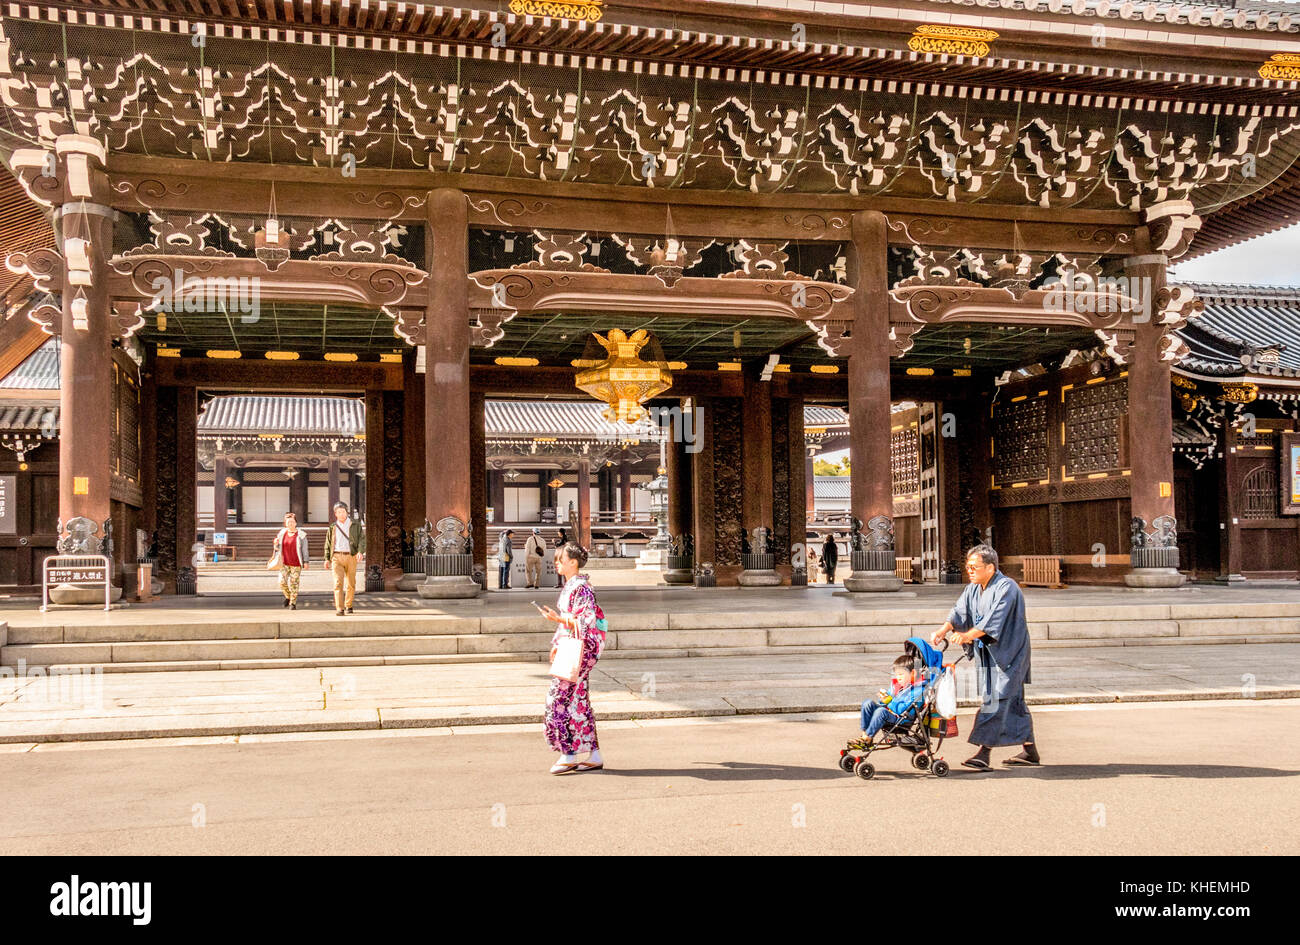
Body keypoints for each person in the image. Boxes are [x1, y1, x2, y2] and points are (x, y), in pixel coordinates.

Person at [930, 544, 1039, 769]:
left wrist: (967, 635)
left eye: (974, 567)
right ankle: (1030, 751)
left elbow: (993, 621)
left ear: (990, 567)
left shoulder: (1006, 588)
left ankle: (983, 751)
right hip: (989, 653)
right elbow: (959, 611)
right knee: (1014, 701)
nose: (969, 571)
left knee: (996, 700)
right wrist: (943, 630)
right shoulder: (973, 587)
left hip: (1010, 653)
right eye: (968, 567)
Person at [539, 542, 607, 774]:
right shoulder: (573, 586)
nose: (557, 562)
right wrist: (557, 642)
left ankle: (569, 753)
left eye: (561, 559)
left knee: (559, 699)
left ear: (573, 562)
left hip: (579, 650)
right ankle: (594, 754)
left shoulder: (581, 588)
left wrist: (558, 621)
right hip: (573, 646)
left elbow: (585, 621)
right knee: (578, 700)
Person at [847, 655, 924, 750]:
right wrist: (883, 698)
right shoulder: (897, 684)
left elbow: (901, 709)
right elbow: (886, 701)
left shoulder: (918, 690)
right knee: (867, 703)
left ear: (912, 673)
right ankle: (864, 736)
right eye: (897, 674)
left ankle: (867, 738)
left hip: (901, 718)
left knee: (881, 712)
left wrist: (889, 701)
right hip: (890, 712)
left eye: (901, 674)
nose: (898, 677)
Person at [323, 501, 365, 616]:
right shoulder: (333, 527)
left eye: (343, 511)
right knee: (337, 583)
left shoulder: (355, 524)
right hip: (336, 556)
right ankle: (339, 608)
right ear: (335, 514)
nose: (341, 514)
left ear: (347, 512)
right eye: (339, 512)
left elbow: (362, 539)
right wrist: (327, 558)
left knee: (351, 583)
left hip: (351, 555)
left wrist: (360, 551)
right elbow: (328, 543)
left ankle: (349, 604)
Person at [272, 512, 309, 610]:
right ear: (285, 523)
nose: (290, 524)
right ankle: (288, 597)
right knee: (281, 582)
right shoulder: (282, 533)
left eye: (292, 522)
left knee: (294, 583)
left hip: (296, 563)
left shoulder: (301, 535)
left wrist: (306, 561)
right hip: (284, 562)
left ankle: (293, 602)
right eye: (288, 522)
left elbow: (305, 549)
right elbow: (277, 548)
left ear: (296, 523)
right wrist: (275, 544)